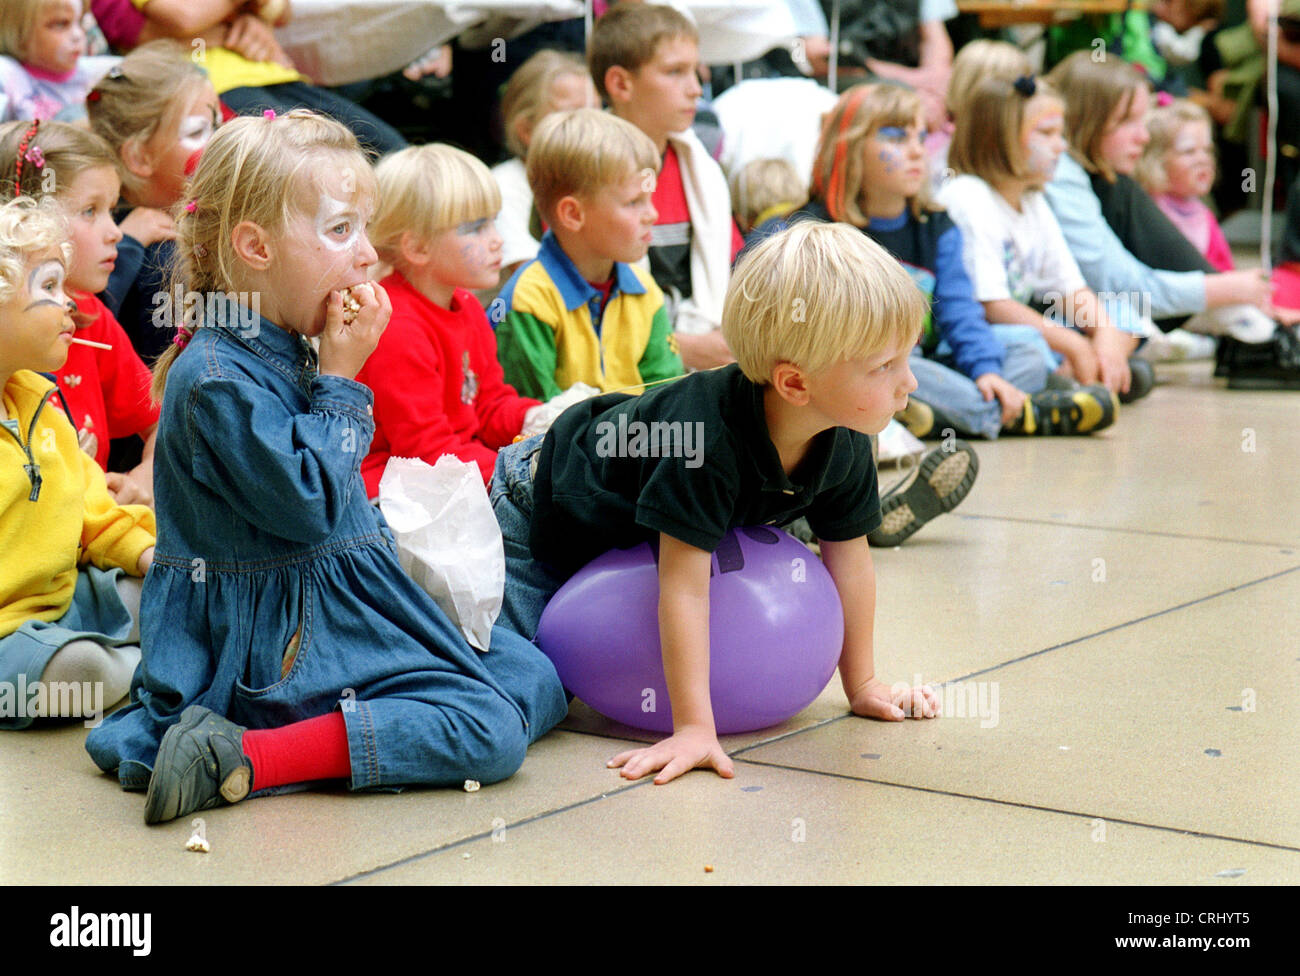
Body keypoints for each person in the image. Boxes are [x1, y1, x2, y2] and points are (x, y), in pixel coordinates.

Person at [83, 111, 567, 824]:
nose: (369, 256)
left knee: (533, 677)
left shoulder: (288, 338)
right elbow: (310, 503)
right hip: (272, 641)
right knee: (491, 731)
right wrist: (343, 377)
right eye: (342, 231)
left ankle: (335, 730)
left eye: (365, 231)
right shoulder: (215, 377)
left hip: (336, 598)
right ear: (255, 247)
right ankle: (245, 755)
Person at [491, 221, 940, 785]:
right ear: (795, 384)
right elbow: (682, 587)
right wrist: (694, 728)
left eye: (906, 359)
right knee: (526, 683)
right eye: (884, 367)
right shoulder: (700, 441)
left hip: (638, 521)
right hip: (541, 503)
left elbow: (849, 558)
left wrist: (864, 684)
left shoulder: (847, 434)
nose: (911, 384)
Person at [804, 82, 1119, 439]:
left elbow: (960, 311)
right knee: (891, 373)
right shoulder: (811, 228)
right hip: (865, 369)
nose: (915, 152)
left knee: (1024, 352)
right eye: (895, 138)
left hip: (925, 364)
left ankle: (931, 418)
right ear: (848, 148)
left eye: (921, 138)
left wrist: (987, 371)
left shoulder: (937, 226)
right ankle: (1018, 414)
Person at [1043, 50, 1300, 388]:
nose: (1143, 136)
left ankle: (1250, 325)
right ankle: (1251, 328)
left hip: (1093, 308)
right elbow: (1122, 283)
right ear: (1085, 122)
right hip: (1052, 313)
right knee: (1127, 315)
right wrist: (1223, 290)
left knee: (1129, 317)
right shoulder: (1060, 175)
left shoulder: (1095, 178)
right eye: (1127, 122)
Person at [0, 195, 154, 729]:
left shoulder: (40, 404)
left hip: (65, 600)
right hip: (5, 639)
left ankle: (152, 658)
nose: (70, 305)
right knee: (81, 669)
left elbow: (94, 509)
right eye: (48, 287)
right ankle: (159, 667)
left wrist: (146, 555)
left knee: (169, 585)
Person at [938, 73, 1149, 402]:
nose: (1061, 146)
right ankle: (1072, 380)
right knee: (1029, 344)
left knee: (1125, 314)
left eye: (1061, 134)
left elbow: (1069, 289)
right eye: (1047, 133)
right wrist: (1074, 343)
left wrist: (1105, 335)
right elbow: (992, 305)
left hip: (1027, 327)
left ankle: (1087, 373)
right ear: (997, 139)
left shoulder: (1033, 201)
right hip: (972, 336)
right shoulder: (968, 197)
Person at [357, 144, 552, 493]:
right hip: (398, 497)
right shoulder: (397, 326)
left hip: (460, 473)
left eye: (494, 221)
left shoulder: (467, 304)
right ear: (416, 247)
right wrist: (527, 468)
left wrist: (544, 420)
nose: (498, 240)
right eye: (476, 228)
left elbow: (489, 407)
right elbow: (424, 455)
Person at [0, 120, 159, 504]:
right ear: (27, 220)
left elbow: (161, 420)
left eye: (113, 209)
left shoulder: (92, 319)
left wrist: (143, 479)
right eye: (90, 211)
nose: (116, 231)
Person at [588, 2, 739, 370]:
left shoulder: (701, 167)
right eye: (675, 72)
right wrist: (674, 348)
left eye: (696, 71)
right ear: (620, 83)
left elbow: (736, 274)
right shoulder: (584, 172)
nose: (695, 89)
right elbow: (574, 309)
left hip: (710, 347)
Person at [495, 108, 683, 402]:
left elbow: (669, 397)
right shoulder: (527, 303)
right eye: (634, 202)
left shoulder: (646, 292)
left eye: (651, 198)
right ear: (573, 214)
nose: (653, 214)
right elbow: (532, 425)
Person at [91, 0, 406, 155]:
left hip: (275, 71)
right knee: (309, 164)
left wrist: (233, 20)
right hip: (215, 87)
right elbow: (184, 17)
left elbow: (279, 11)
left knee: (392, 155)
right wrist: (233, 20)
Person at [85, 41, 209, 367]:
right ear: (139, 157)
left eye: (218, 126)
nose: (217, 144)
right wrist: (126, 247)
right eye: (198, 132)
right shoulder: (159, 260)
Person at [492, 50, 597, 283]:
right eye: (573, 115)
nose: (594, 127)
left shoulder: (600, 183)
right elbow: (529, 279)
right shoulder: (504, 185)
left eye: (597, 112)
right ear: (526, 130)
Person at [0, 0, 119, 122]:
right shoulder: (9, 77)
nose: (78, 35)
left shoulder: (100, 72)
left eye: (81, 22)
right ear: (19, 31)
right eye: (61, 24)